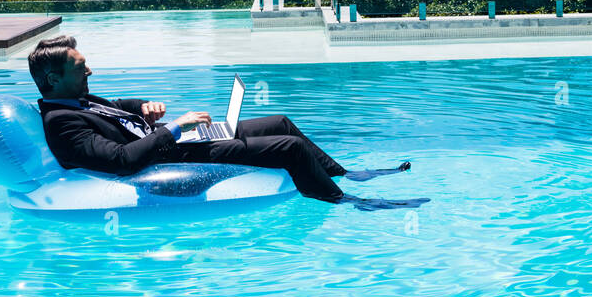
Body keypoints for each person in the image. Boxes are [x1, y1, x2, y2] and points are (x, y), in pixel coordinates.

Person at [27, 35, 428, 212]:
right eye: (81, 68)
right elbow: (119, 160)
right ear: (51, 80)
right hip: (177, 156)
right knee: (288, 149)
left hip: (178, 140)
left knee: (280, 122)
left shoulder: (77, 100)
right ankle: (346, 201)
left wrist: (144, 106)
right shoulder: (62, 122)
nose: (90, 71)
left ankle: (345, 174)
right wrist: (176, 129)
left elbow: (116, 106)